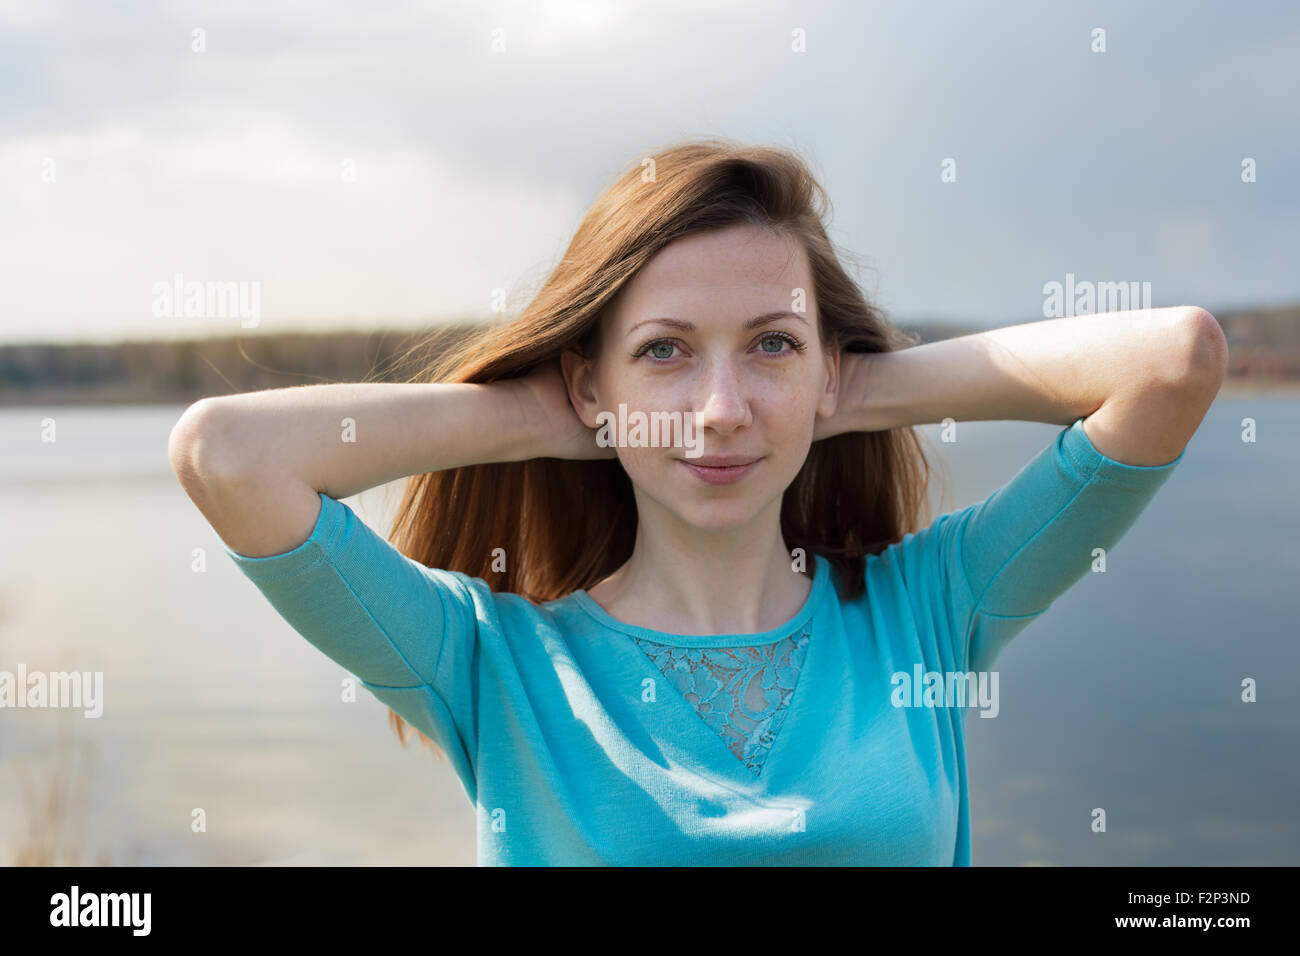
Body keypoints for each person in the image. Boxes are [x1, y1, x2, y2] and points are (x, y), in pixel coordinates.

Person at [167, 139, 1227, 865]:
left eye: (769, 341)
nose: (720, 410)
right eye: (664, 351)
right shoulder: (493, 663)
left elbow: (1173, 361)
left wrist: (841, 392)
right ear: (590, 382)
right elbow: (226, 453)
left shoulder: (929, 610)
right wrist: (546, 417)